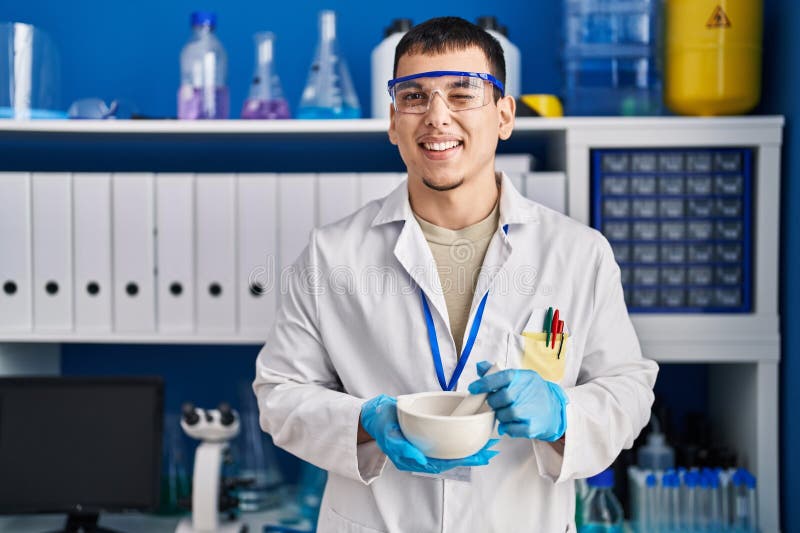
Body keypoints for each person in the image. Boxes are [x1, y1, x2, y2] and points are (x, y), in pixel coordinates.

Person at [253, 16, 658, 532]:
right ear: (393, 121)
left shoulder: (578, 254)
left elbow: (628, 390)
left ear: (505, 115)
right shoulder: (331, 255)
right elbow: (279, 394)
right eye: (415, 96)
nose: (437, 117)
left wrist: (561, 413)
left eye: (463, 94)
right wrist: (365, 422)